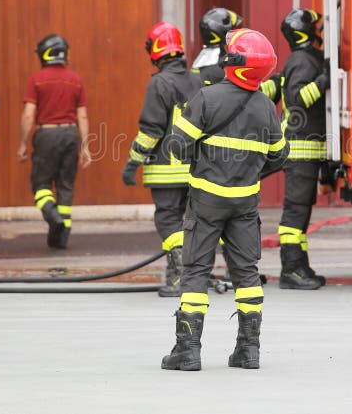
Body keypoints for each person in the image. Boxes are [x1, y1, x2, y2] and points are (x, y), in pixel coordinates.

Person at [161, 28, 289, 371]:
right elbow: (279, 155)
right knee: (247, 273)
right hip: (245, 204)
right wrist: (248, 172)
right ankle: (248, 351)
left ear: (231, 62)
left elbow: (176, 146)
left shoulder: (207, 97)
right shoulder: (266, 107)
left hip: (205, 201)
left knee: (196, 271)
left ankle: (187, 350)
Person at [121, 22, 203, 297]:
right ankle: (197, 276)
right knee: (194, 221)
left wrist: (132, 163)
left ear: (155, 51)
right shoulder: (197, 79)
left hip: (166, 170)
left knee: (169, 220)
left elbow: (151, 131)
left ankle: (179, 274)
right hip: (197, 168)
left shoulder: (159, 83)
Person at [17, 34, 91, 249]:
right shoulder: (75, 80)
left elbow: (29, 114)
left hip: (47, 135)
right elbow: (83, 116)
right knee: (65, 186)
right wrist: (85, 146)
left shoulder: (37, 79)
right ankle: (60, 237)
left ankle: (52, 215)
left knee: (40, 184)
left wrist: (22, 143)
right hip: (70, 134)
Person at [277, 8, 329, 290]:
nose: (319, 31)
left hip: (308, 150)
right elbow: (297, 99)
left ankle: (300, 266)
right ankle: (291, 270)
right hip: (299, 150)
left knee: (302, 212)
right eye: (316, 27)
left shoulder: (306, 58)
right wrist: (323, 81)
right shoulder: (301, 60)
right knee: (295, 212)